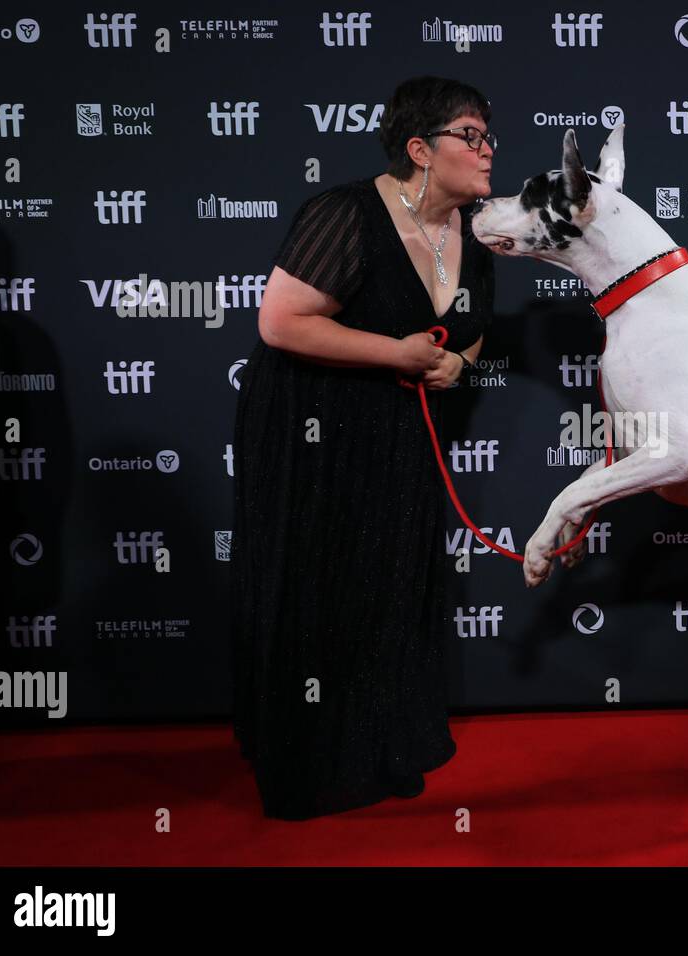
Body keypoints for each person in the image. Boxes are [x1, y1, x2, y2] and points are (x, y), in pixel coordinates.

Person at [230, 76, 496, 820]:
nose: (487, 151)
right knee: (320, 587)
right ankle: (312, 762)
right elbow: (282, 323)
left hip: (401, 436)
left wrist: (459, 363)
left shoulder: (474, 234)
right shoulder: (345, 212)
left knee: (387, 585)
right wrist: (398, 354)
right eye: (470, 136)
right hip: (313, 428)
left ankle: (382, 747)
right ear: (420, 148)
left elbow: (472, 330)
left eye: (488, 137)